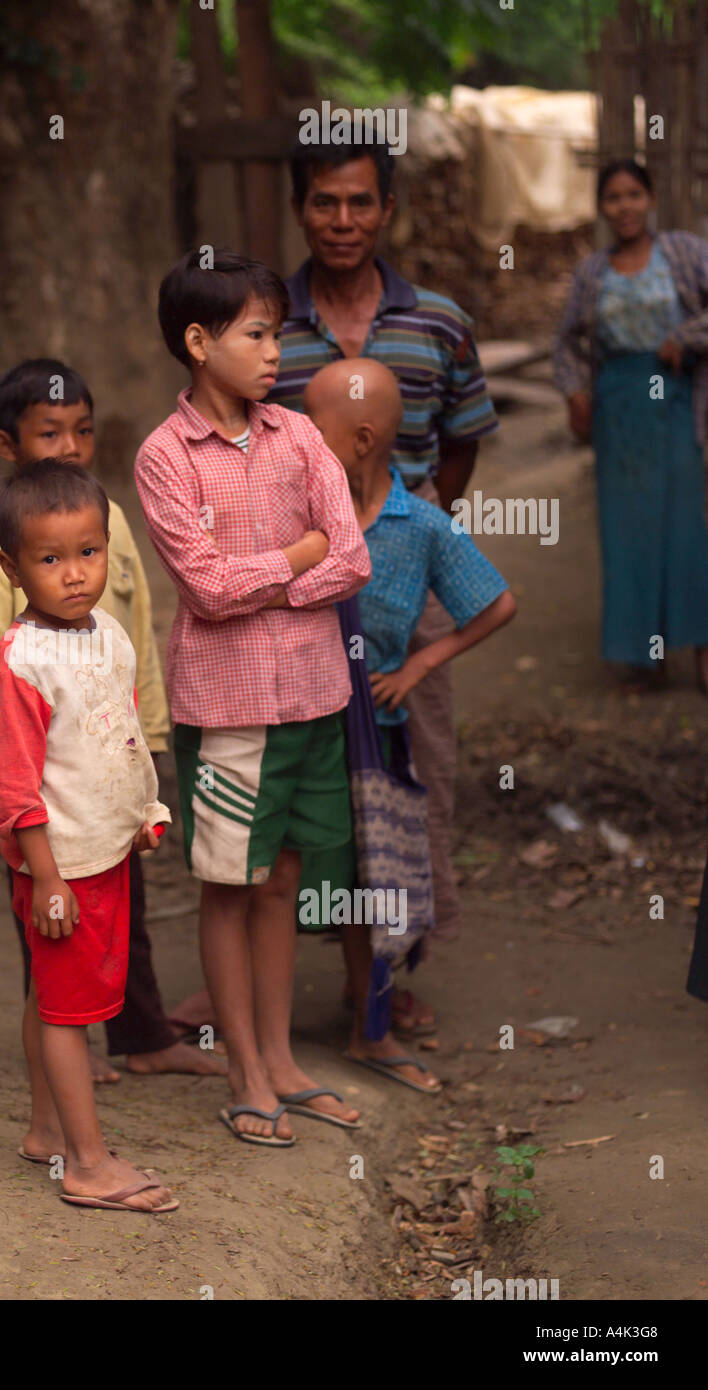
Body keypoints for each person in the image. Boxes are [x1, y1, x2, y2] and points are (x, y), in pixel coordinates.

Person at [135, 249, 372, 1145]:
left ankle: (279, 1060)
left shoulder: (300, 435)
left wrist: (281, 570)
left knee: (282, 878)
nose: (276, 351)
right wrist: (299, 557)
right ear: (198, 343)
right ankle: (242, 1073)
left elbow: (353, 557)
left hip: (314, 694)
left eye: (279, 332)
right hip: (228, 708)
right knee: (229, 885)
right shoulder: (164, 457)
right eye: (257, 333)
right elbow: (206, 590)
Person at [263, 139, 500, 1033]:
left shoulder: (436, 321)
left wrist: (417, 536)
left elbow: (464, 435)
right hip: (294, 582)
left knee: (413, 768)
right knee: (302, 767)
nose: (343, 221)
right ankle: (273, 961)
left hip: (406, 577)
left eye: (360, 203)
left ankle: (390, 971)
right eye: (325, 203)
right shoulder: (266, 328)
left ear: (387, 210)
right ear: (301, 210)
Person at [0, 359, 224, 1103]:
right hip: (41, 787)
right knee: (51, 923)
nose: (70, 447)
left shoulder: (107, 520)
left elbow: (131, 633)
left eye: (82, 430)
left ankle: (139, 1035)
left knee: (121, 911)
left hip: (108, 768)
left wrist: (149, 744)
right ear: (9, 446)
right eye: (50, 433)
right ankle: (65, 1045)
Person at [302, 358, 516, 1092]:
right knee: (291, 868)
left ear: (362, 439)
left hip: (375, 728)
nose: (298, 435)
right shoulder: (298, 513)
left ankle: (372, 1028)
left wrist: (419, 667)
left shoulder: (420, 524)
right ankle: (259, 1032)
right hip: (303, 714)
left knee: (376, 876)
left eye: (312, 423)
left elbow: (496, 606)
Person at [0, 458, 178, 1213]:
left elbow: (119, 735)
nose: (74, 575)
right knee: (68, 1012)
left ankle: (46, 1132)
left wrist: (144, 813)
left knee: (50, 994)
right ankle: (88, 1164)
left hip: (107, 853)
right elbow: (15, 788)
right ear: (13, 566)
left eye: (88, 552)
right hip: (59, 867)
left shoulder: (110, 634)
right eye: (50, 558)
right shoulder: (23, 661)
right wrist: (47, 879)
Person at [554, 157, 708, 692]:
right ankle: (648, 658)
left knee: (686, 527)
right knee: (628, 530)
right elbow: (568, 340)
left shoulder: (685, 253)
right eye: (613, 198)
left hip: (674, 398)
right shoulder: (593, 272)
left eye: (633, 195)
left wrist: (687, 337)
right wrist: (576, 392)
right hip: (617, 411)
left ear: (651, 199)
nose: (624, 207)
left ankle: (701, 651)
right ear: (601, 208)